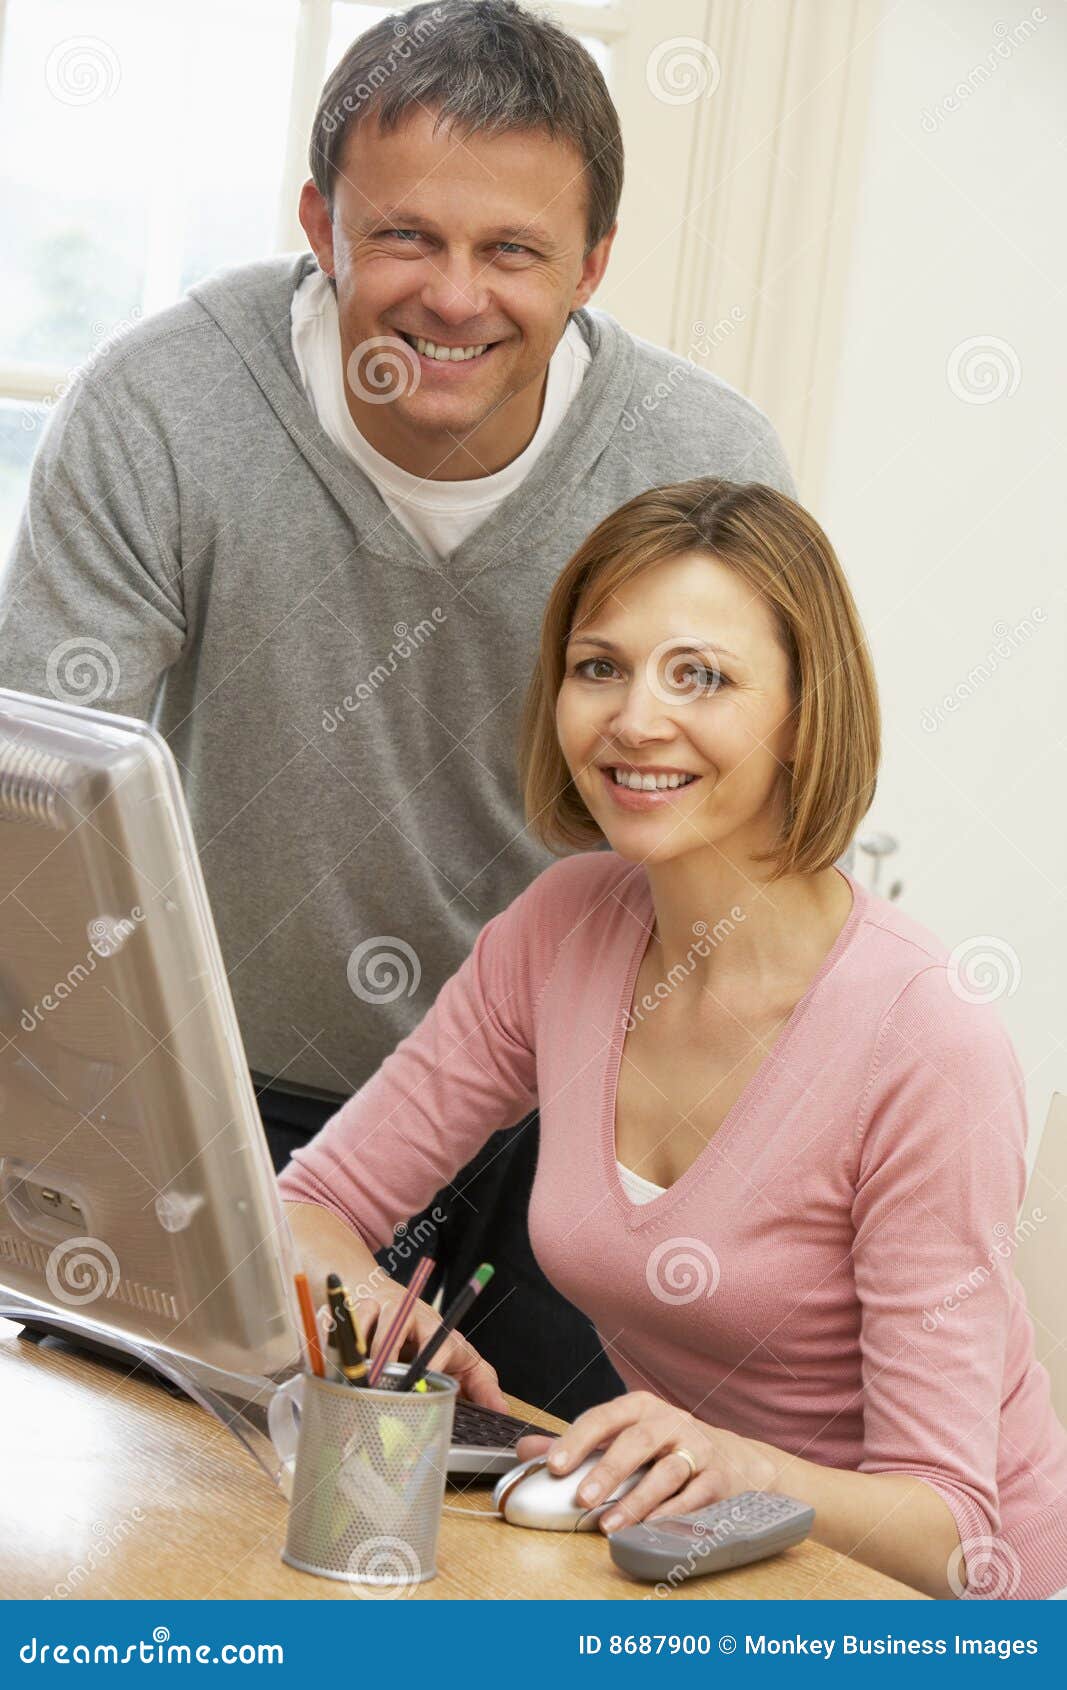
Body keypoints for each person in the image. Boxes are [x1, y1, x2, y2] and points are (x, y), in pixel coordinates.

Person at [0, 1, 795, 1416]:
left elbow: (748, 835)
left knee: (585, 1540)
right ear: (320, 221)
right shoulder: (165, 407)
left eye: (512, 251)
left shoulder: (700, 461)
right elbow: (39, 828)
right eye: (405, 237)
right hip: (224, 1102)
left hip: (574, 1125)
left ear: (593, 263)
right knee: (145, 1514)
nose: (453, 296)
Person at [279, 477, 1067, 1601]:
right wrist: (371, 1311)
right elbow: (310, 1207)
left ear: (802, 713)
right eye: (599, 665)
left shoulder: (920, 1036)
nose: (634, 718)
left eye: (699, 675)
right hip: (707, 1564)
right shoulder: (558, 931)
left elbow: (947, 1526)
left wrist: (738, 1464)